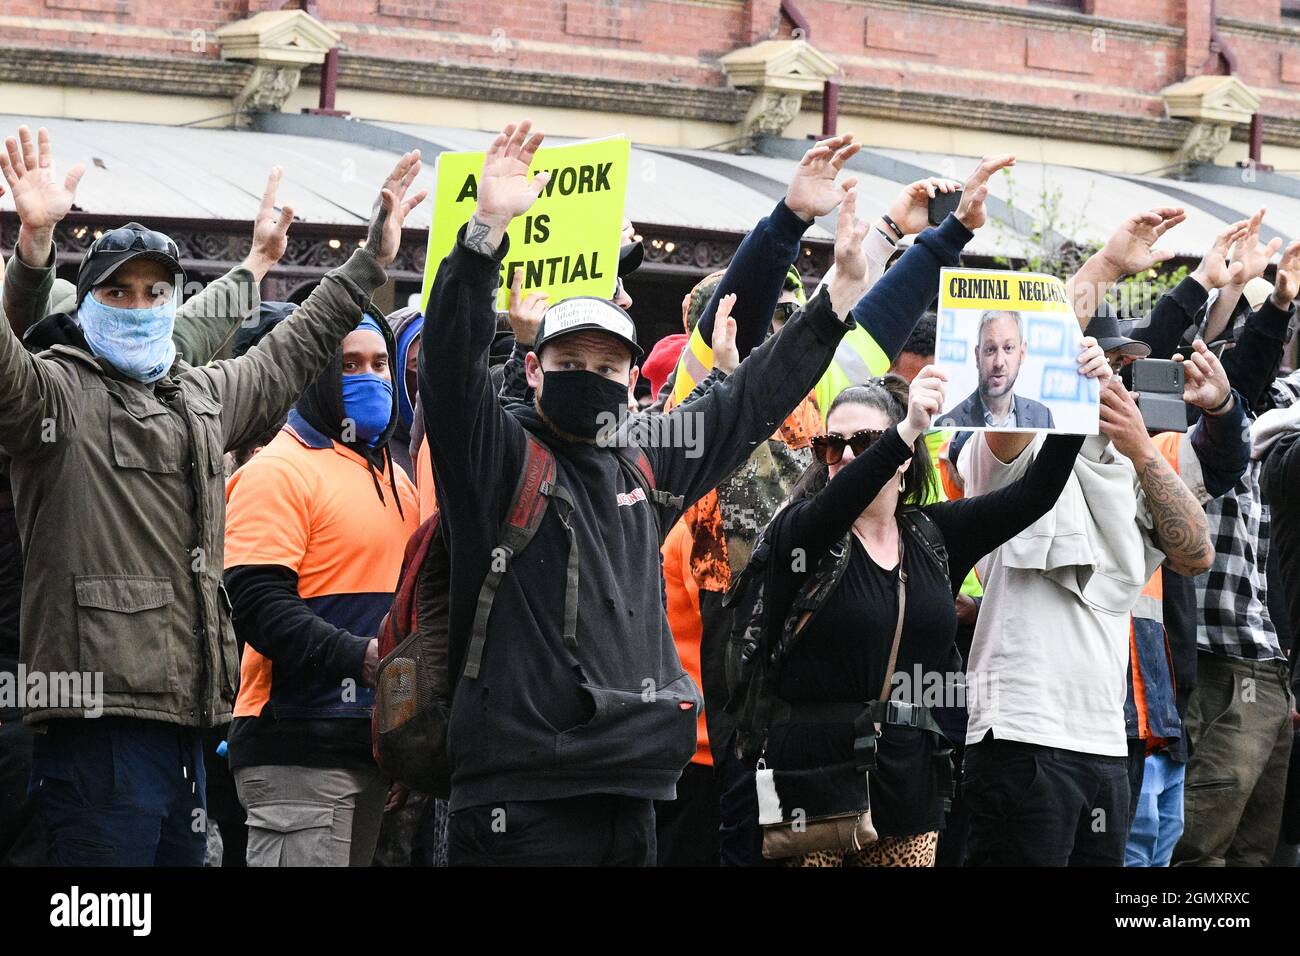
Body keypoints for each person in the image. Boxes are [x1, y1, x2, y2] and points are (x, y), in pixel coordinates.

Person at [420, 120, 873, 866]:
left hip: (633, 792)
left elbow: (751, 396)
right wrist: (483, 236)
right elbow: (448, 366)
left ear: (633, 381)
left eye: (608, 366)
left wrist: (835, 298)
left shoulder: (648, 459)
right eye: (569, 360)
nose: (590, 376)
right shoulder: (497, 456)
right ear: (533, 371)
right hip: (522, 800)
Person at [0, 122, 425, 866]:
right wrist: (33, 247)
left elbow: (290, 348)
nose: (138, 306)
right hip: (96, 727)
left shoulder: (199, 396)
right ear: (88, 303)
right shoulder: (56, 394)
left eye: (155, 291)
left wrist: (367, 266)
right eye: (118, 291)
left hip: (190, 723)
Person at [751, 339, 1104, 867]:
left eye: (865, 442)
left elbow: (1036, 495)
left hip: (909, 779)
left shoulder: (933, 535)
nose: (846, 455)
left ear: (902, 462)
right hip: (809, 783)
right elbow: (838, 502)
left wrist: (1078, 400)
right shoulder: (800, 533)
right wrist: (906, 430)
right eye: (831, 444)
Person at [954, 207, 1216, 867]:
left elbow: (1194, 551)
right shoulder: (1007, 447)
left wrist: (1143, 452)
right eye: (1100, 362)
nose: (1114, 376)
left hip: (1106, 742)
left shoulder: (1131, 466)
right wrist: (1104, 267)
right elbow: (1015, 353)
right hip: (1019, 736)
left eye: (1122, 365)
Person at [223, 308, 419, 867]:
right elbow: (256, 605)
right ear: (314, 370)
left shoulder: (395, 479)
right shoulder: (278, 471)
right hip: (296, 751)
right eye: (350, 363)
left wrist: (399, 744)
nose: (372, 376)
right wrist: (357, 657)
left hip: (370, 752)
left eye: (381, 363)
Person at [940, 309, 1055, 429]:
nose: (999, 363)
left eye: (1008, 348)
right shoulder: (948, 423)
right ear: (977, 356)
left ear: (1021, 353)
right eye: (990, 349)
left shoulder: (1043, 418)